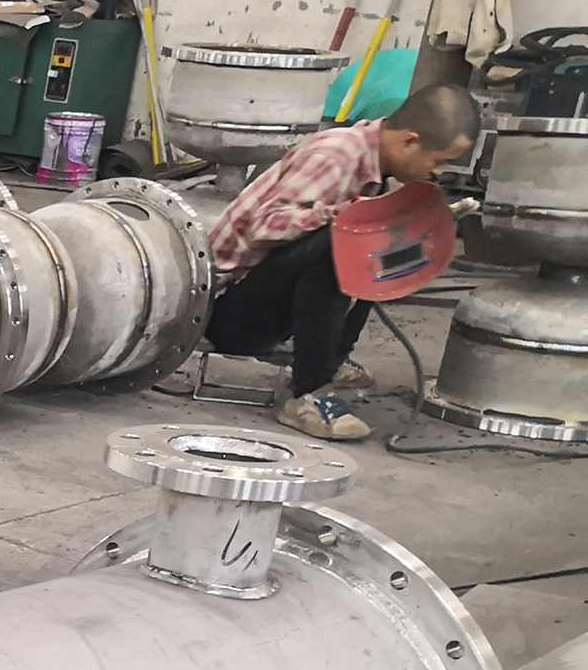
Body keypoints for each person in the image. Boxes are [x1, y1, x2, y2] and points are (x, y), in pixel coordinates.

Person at [202, 82, 480, 441]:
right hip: (225, 312)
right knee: (346, 242)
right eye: (439, 160)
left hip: (268, 303)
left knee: (377, 241)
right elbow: (262, 226)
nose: (439, 172)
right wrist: (349, 216)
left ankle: (330, 361)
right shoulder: (335, 156)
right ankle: (309, 392)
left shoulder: (374, 163)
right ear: (409, 142)